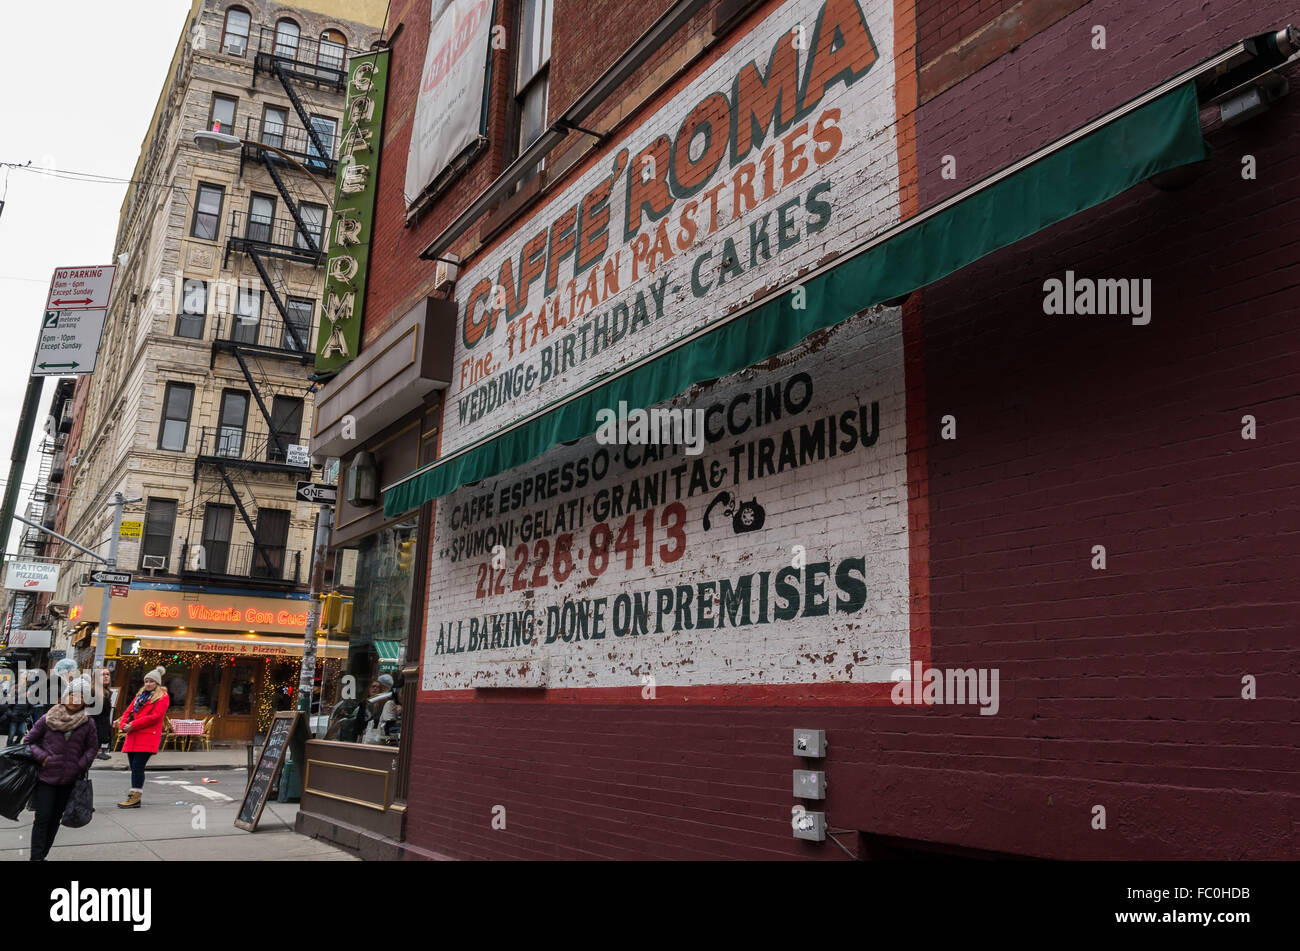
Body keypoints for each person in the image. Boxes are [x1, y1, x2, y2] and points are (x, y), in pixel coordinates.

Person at [22, 678, 98, 861]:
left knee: (55, 819)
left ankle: (42, 855)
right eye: (72, 695)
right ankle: (36, 858)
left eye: (80, 696)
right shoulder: (48, 718)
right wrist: (43, 757)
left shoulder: (88, 723)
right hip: (45, 778)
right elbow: (28, 742)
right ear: (65, 696)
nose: (74, 700)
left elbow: (92, 748)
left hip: (69, 780)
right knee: (43, 818)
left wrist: (79, 765)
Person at [112, 666, 170, 808]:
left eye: (151, 681)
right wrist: (123, 724)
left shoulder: (162, 698)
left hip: (147, 737)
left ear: (157, 683)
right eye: (146, 681)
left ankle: (135, 797)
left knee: (138, 766)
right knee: (134, 767)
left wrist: (133, 725)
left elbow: (154, 717)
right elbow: (128, 711)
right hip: (133, 735)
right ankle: (135, 796)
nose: (148, 684)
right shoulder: (140, 696)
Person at [89, 669, 115, 760]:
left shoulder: (106, 693)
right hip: (91, 732)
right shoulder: (92, 692)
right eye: (102, 674)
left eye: (107, 674)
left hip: (99, 732)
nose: (106, 676)